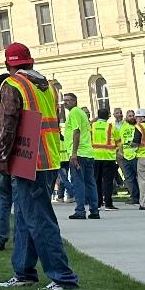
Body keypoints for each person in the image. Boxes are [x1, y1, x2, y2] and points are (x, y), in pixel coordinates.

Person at [0, 43, 78, 290]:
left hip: (28, 160)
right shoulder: (47, 86)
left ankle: (63, 277)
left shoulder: (13, 85)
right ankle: (24, 272)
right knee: (24, 217)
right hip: (49, 158)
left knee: (40, 220)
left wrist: (2, 158)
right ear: (30, 62)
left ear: (9, 65)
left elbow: (8, 124)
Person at [59, 92, 97, 220]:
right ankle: (94, 210)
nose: (65, 102)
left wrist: (74, 153)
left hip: (79, 154)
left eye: (68, 100)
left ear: (75, 101)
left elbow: (76, 132)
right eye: (64, 100)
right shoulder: (82, 113)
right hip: (88, 153)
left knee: (78, 183)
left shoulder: (74, 112)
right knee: (90, 183)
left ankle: (80, 210)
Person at [92, 105, 120, 210]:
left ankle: (98, 203)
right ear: (108, 116)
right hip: (108, 157)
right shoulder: (111, 127)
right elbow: (118, 142)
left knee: (96, 181)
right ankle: (108, 203)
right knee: (108, 181)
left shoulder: (92, 126)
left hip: (95, 156)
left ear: (97, 116)